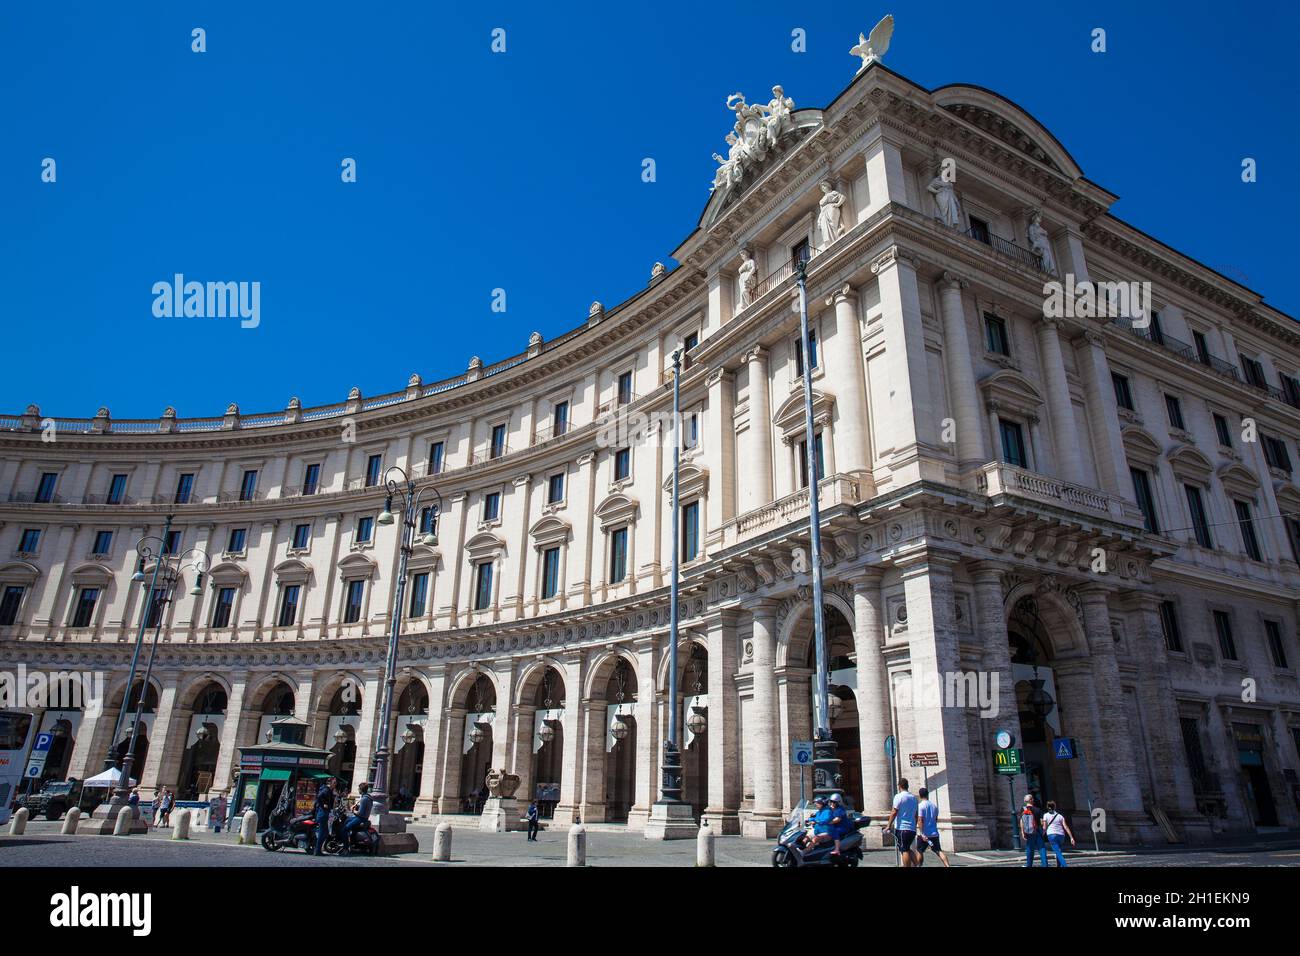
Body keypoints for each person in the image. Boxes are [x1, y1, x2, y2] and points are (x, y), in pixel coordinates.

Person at [884, 778, 920, 867]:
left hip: (902, 828)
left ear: (899, 786)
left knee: (904, 850)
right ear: (908, 786)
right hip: (912, 828)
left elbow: (894, 812)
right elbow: (916, 815)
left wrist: (888, 825)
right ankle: (917, 864)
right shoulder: (914, 798)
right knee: (907, 848)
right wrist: (914, 826)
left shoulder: (898, 797)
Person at [915, 787, 950, 868]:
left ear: (920, 795)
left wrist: (922, 833)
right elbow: (935, 819)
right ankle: (947, 865)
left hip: (924, 834)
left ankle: (919, 865)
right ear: (927, 795)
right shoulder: (934, 806)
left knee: (919, 851)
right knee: (939, 851)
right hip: (934, 833)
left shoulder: (920, 806)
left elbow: (920, 820)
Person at [339, 782, 372, 854]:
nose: (358, 790)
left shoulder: (364, 799)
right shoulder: (368, 797)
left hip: (360, 818)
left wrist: (353, 810)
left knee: (344, 829)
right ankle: (349, 841)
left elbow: (360, 813)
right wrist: (356, 807)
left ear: (361, 789)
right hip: (363, 818)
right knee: (346, 821)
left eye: (359, 789)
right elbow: (363, 809)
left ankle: (345, 848)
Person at [1042, 800, 1076, 867]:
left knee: (1058, 853)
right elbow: (1066, 827)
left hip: (1052, 835)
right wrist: (1071, 837)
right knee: (1058, 851)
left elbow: (1044, 827)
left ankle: (1065, 865)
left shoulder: (1045, 815)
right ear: (1054, 807)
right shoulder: (1060, 816)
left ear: (1047, 807)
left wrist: (1042, 834)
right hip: (1061, 835)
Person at [1020, 793, 1048, 867]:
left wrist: (1022, 832)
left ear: (1025, 801)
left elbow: (1022, 821)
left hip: (1028, 831)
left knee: (1029, 848)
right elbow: (1042, 822)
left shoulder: (1023, 809)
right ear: (1031, 800)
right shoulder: (1038, 809)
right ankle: (1045, 865)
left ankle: (1029, 865)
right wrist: (1044, 830)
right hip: (1038, 830)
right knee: (1041, 848)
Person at [312, 778, 335, 856]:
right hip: (323, 813)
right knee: (322, 832)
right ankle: (317, 850)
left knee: (325, 832)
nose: (335, 784)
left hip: (324, 812)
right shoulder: (326, 790)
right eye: (334, 783)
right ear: (329, 783)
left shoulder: (329, 790)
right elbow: (319, 797)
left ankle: (318, 849)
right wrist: (323, 805)